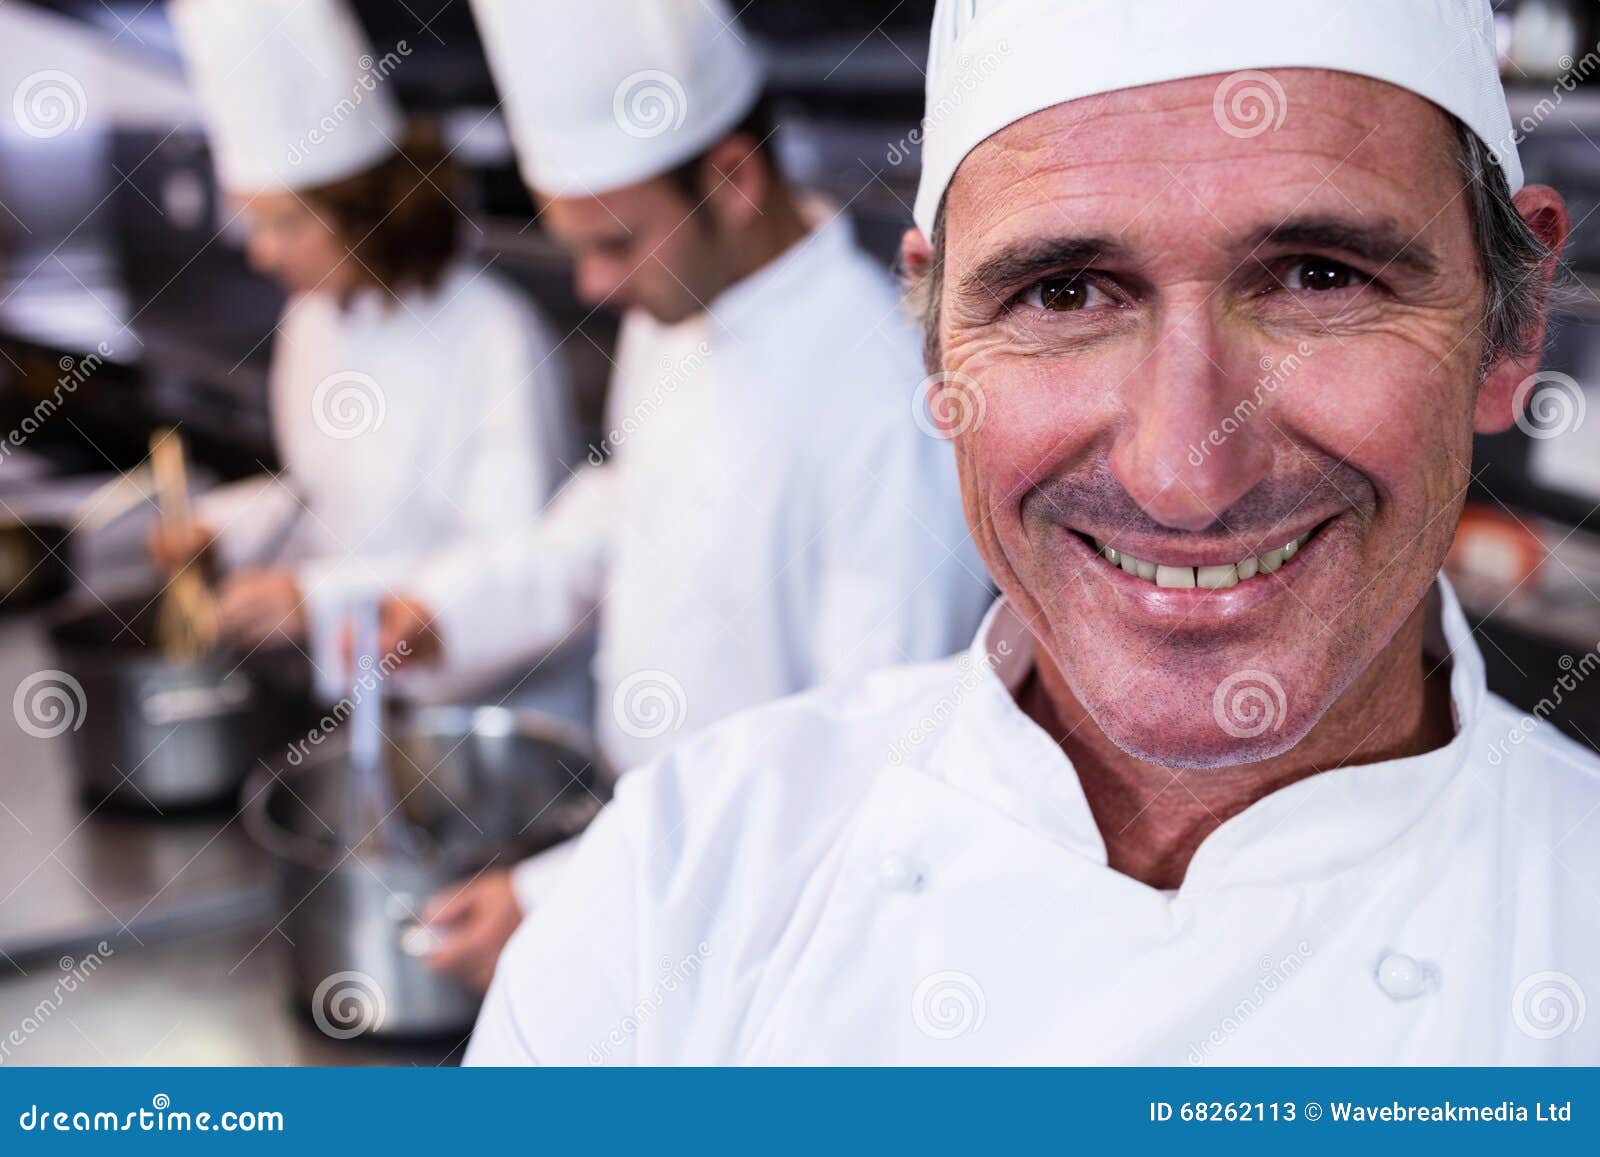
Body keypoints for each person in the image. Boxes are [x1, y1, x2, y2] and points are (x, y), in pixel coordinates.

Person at [466, 0, 1600, 1064]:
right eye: (1064, 293)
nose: (1185, 475)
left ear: (1513, 328)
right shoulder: (664, 896)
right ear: (935, 343)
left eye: (1319, 277)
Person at [398, 0, 993, 992]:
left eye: (617, 242)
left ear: (731, 178)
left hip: (763, 929)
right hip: (638, 850)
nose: (592, 282)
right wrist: (445, 609)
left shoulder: (882, 391)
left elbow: (864, 759)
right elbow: (623, 512)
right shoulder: (670, 315)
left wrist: (561, 899)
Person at [153, 0, 578, 692]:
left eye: (285, 223)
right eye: (252, 224)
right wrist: (222, 533)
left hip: (480, 703)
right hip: (363, 688)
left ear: (368, 213)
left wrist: (315, 600)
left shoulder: (492, 335)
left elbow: (508, 565)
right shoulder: (312, 320)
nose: (261, 253)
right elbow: (320, 498)